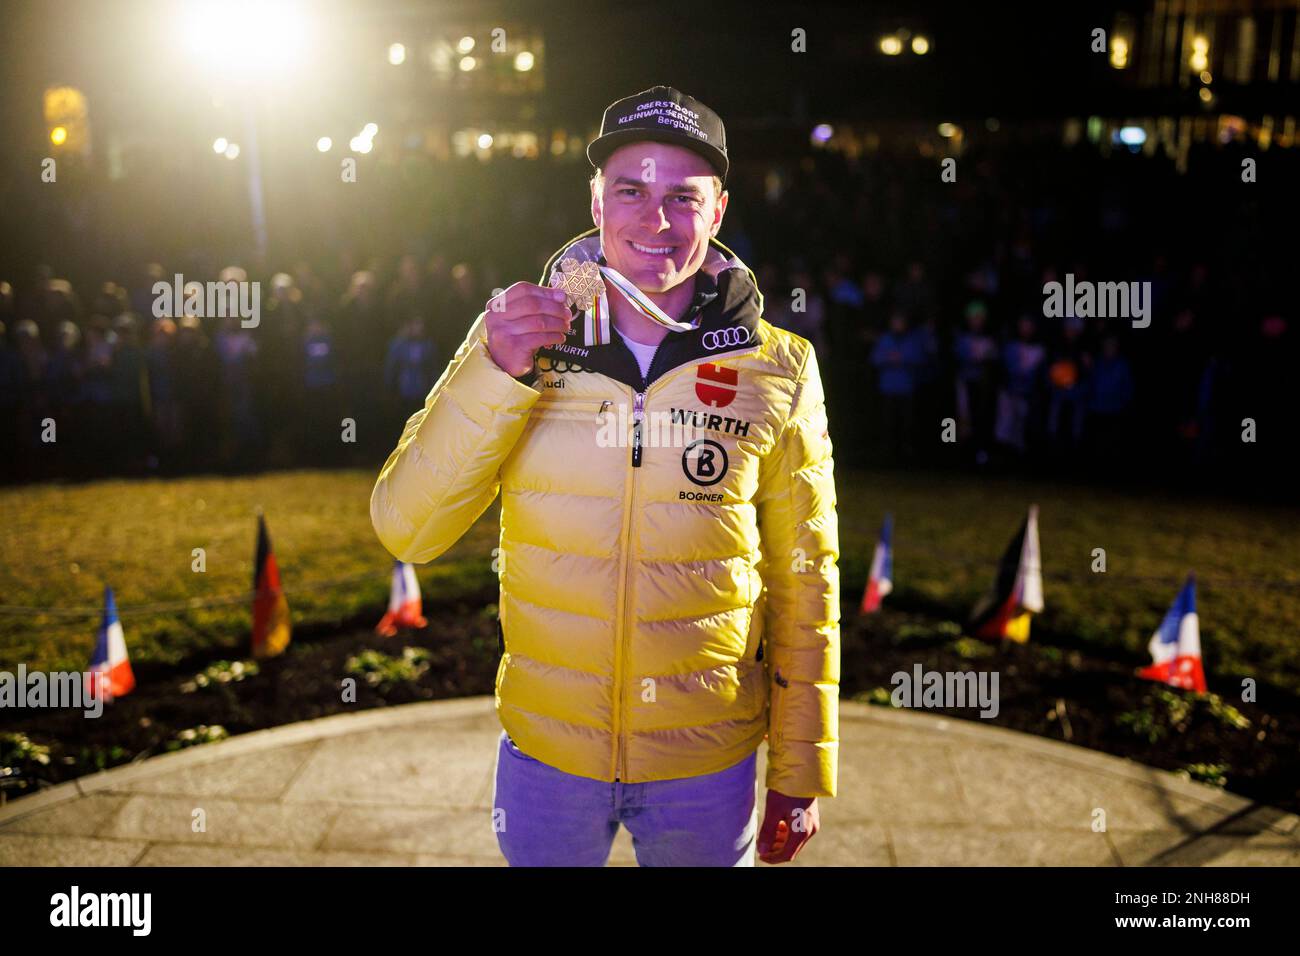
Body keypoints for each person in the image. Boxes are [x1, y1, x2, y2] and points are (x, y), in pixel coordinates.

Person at [371, 85, 840, 867]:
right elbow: (406, 529)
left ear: (718, 212)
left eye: (681, 198)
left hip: (706, 764)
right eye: (631, 191)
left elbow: (807, 582)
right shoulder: (518, 336)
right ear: (595, 200)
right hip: (548, 760)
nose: (655, 222)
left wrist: (799, 770)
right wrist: (496, 371)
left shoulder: (781, 365)